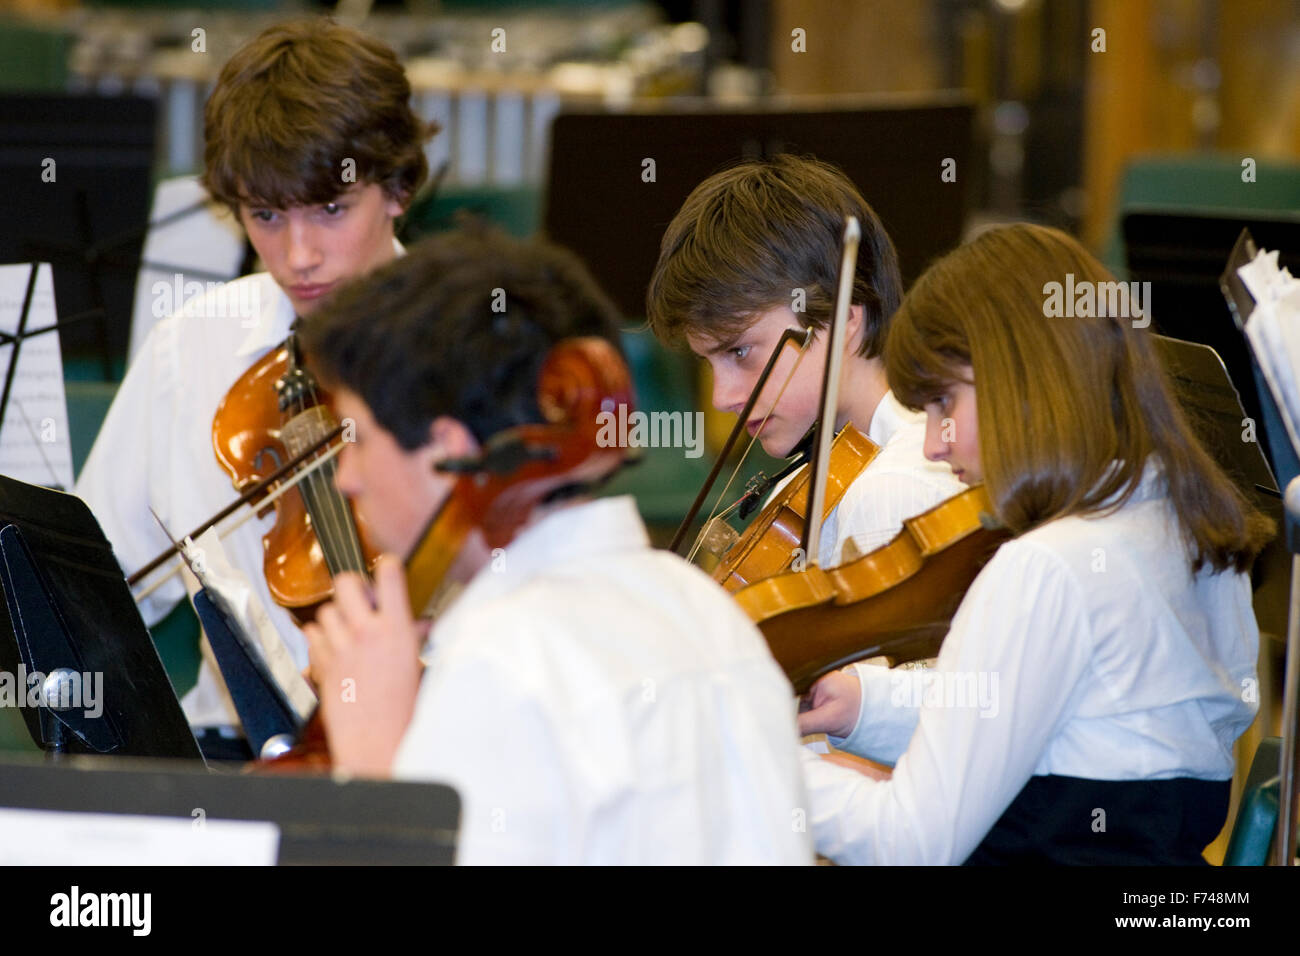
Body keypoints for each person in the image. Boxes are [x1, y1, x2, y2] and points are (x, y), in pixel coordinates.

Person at [296, 227, 813, 865]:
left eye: (359, 437)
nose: (345, 476)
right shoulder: (700, 606)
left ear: (448, 454)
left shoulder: (499, 658)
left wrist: (375, 773)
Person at [798, 223, 1273, 864]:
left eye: (944, 402)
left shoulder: (1047, 568)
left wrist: (761, 768)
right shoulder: (1192, 528)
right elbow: (1053, 717)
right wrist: (863, 704)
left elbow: (909, 841)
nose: (934, 442)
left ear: (1023, 384)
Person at [74, 18, 434, 747]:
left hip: (436, 751)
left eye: (331, 210)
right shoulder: (191, 349)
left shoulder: (475, 352)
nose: (298, 255)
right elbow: (101, 589)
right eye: (265, 216)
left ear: (396, 189)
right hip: (242, 756)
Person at [645, 154, 966, 572]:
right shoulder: (811, 487)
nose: (723, 398)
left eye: (739, 352)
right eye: (708, 363)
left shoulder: (896, 493)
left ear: (844, 317)